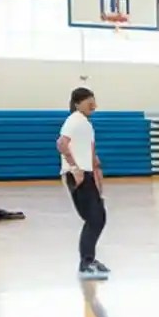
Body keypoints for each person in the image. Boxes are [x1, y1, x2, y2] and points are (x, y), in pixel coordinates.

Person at [57, 87, 108, 280]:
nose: (93, 106)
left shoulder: (85, 123)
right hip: (78, 175)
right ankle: (86, 263)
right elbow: (61, 143)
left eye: (94, 102)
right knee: (95, 218)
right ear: (78, 104)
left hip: (87, 174)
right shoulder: (74, 120)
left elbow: (90, 152)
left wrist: (97, 172)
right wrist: (74, 168)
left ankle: (89, 259)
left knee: (97, 217)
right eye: (89, 102)